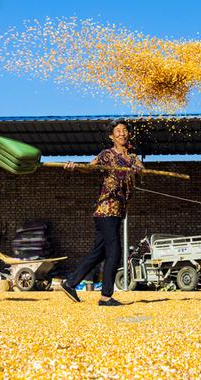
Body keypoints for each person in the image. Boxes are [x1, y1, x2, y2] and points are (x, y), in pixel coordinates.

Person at [60, 119, 144, 306]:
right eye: (118, 131)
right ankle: (106, 296)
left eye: (125, 130)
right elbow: (90, 167)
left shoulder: (131, 157)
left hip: (117, 211)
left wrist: (138, 168)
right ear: (111, 136)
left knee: (99, 253)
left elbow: (141, 170)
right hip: (106, 210)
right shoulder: (107, 154)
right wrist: (76, 167)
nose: (122, 133)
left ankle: (70, 283)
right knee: (114, 251)